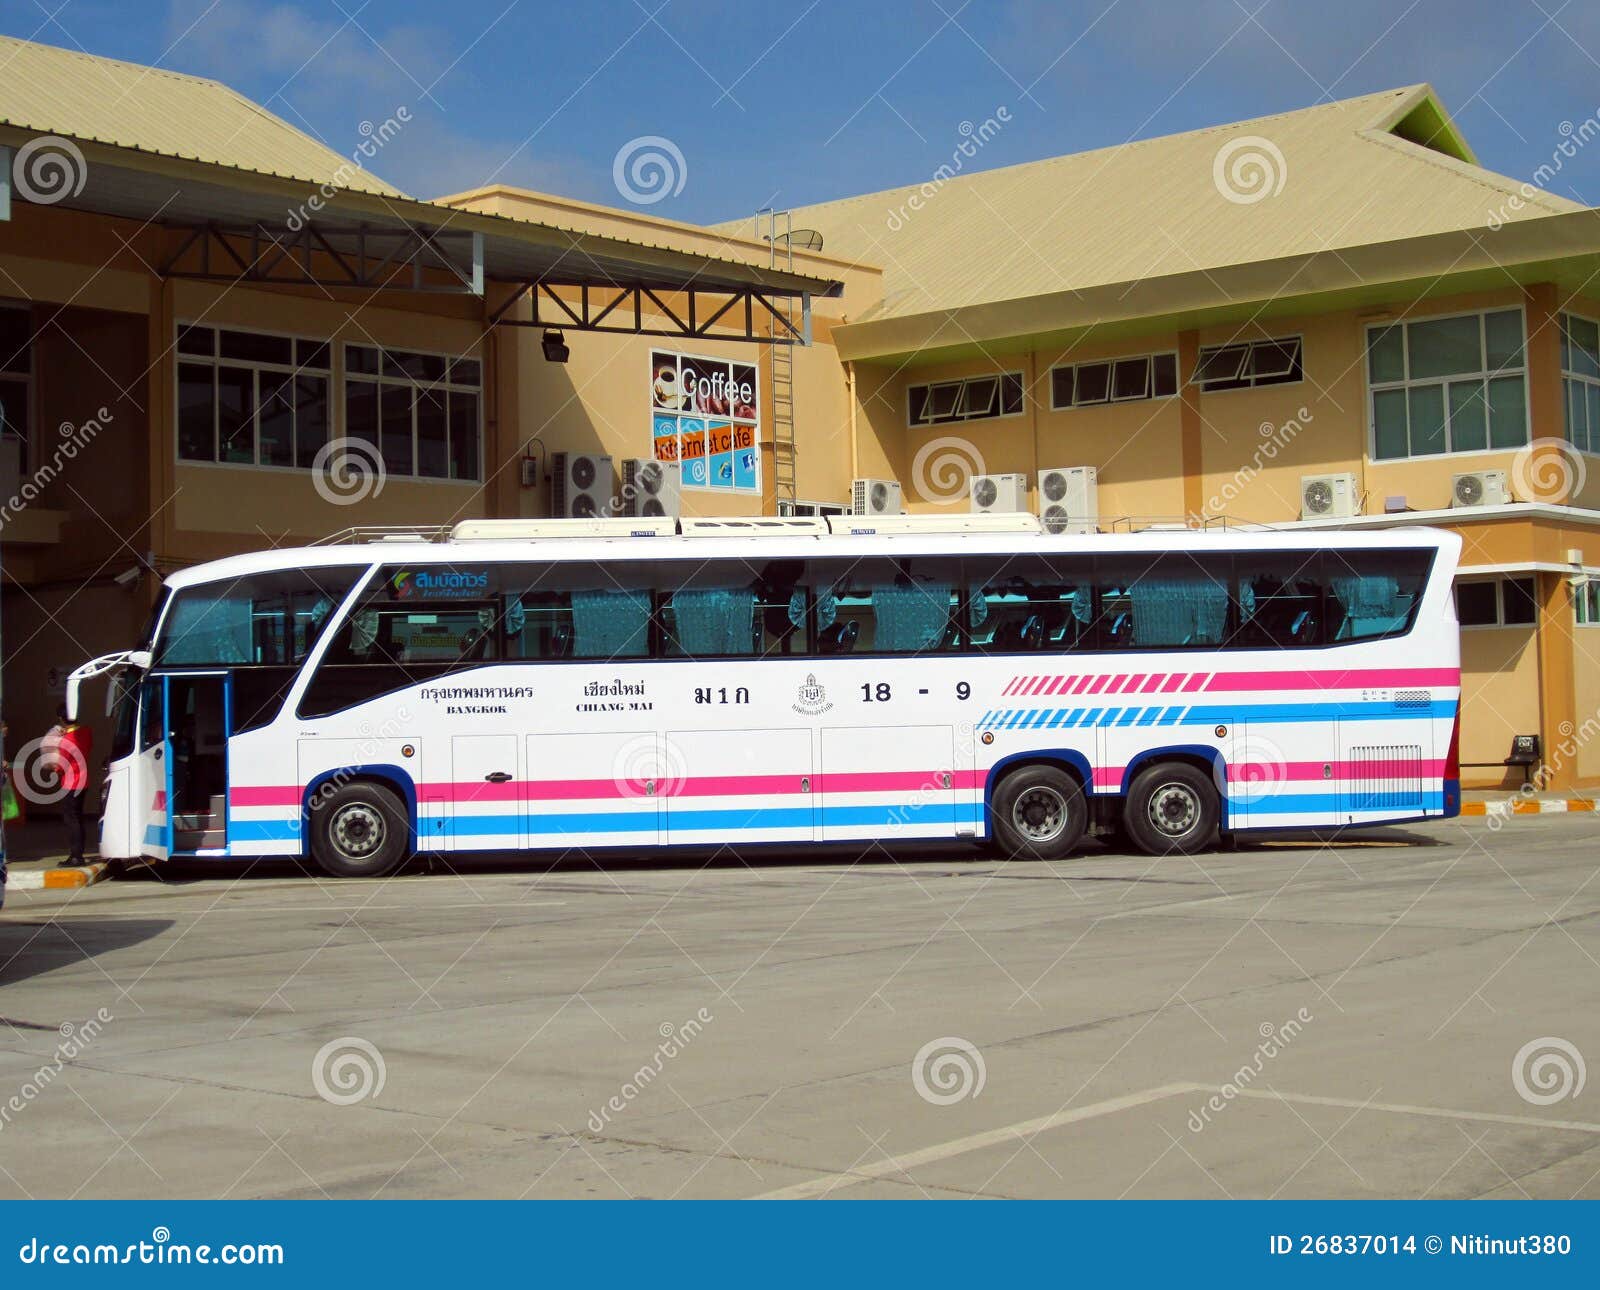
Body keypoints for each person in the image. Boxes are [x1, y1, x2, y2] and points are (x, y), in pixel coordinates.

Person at [43, 705, 93, 867]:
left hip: (71, 783)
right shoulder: (86, 732)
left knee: (71, 819)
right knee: (78, 818)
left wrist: (51, 766)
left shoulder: (65, 741)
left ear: (61, 719)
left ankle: (75, 856)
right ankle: (78, 854)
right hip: (84, 781)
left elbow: (58, 766)